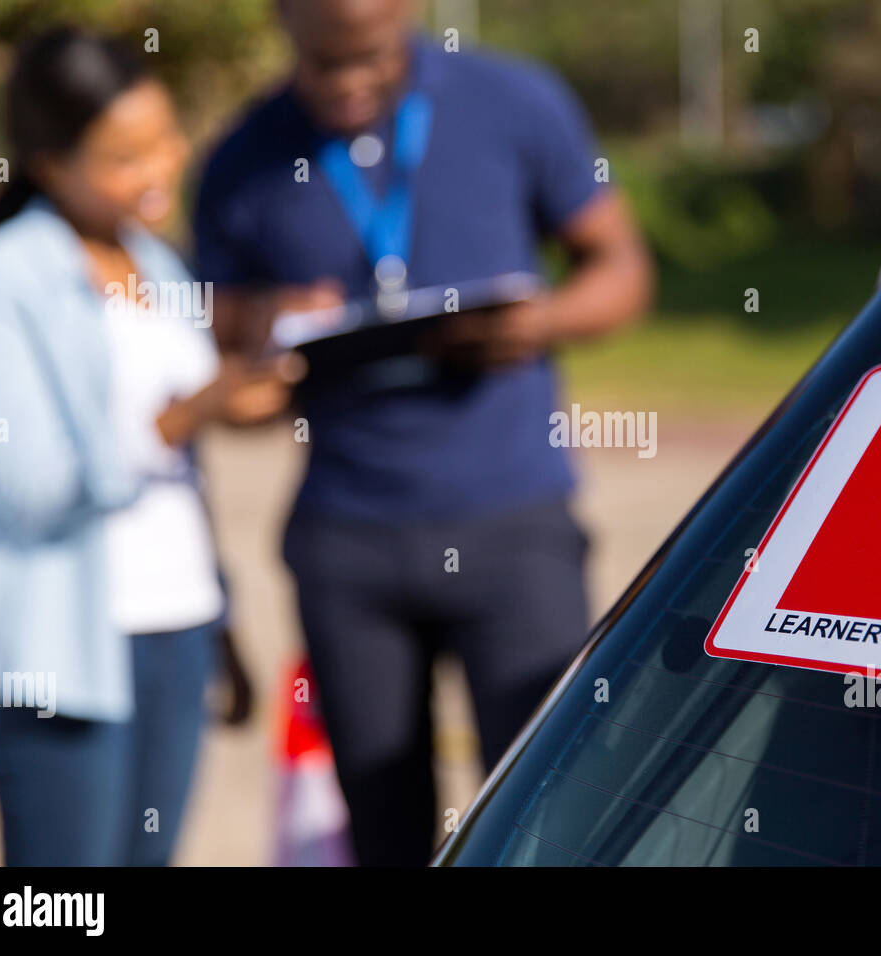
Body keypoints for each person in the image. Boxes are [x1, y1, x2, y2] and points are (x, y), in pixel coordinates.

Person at [194, 0, 653, 865]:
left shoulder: (517, 102)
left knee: (544, 814)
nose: (349, 83)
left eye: (368, 56)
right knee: (383, 830)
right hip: (348, 543)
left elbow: (622, 268)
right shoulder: (240, 158)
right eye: (326, 61)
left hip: (514, 525)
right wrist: (264, 323)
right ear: (280, 17)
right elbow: (219, 353)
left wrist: (540, 320)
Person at [0, 27, 299, 865]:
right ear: (47, 165)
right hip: (60, 644)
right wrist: (185, 413)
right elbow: (29, 485)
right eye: (123, 157)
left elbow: (182, 455)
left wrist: (271, 379)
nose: (158, 171)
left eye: (164, 140)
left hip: (176, 624)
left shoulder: (155, 261)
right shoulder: (1, 276)